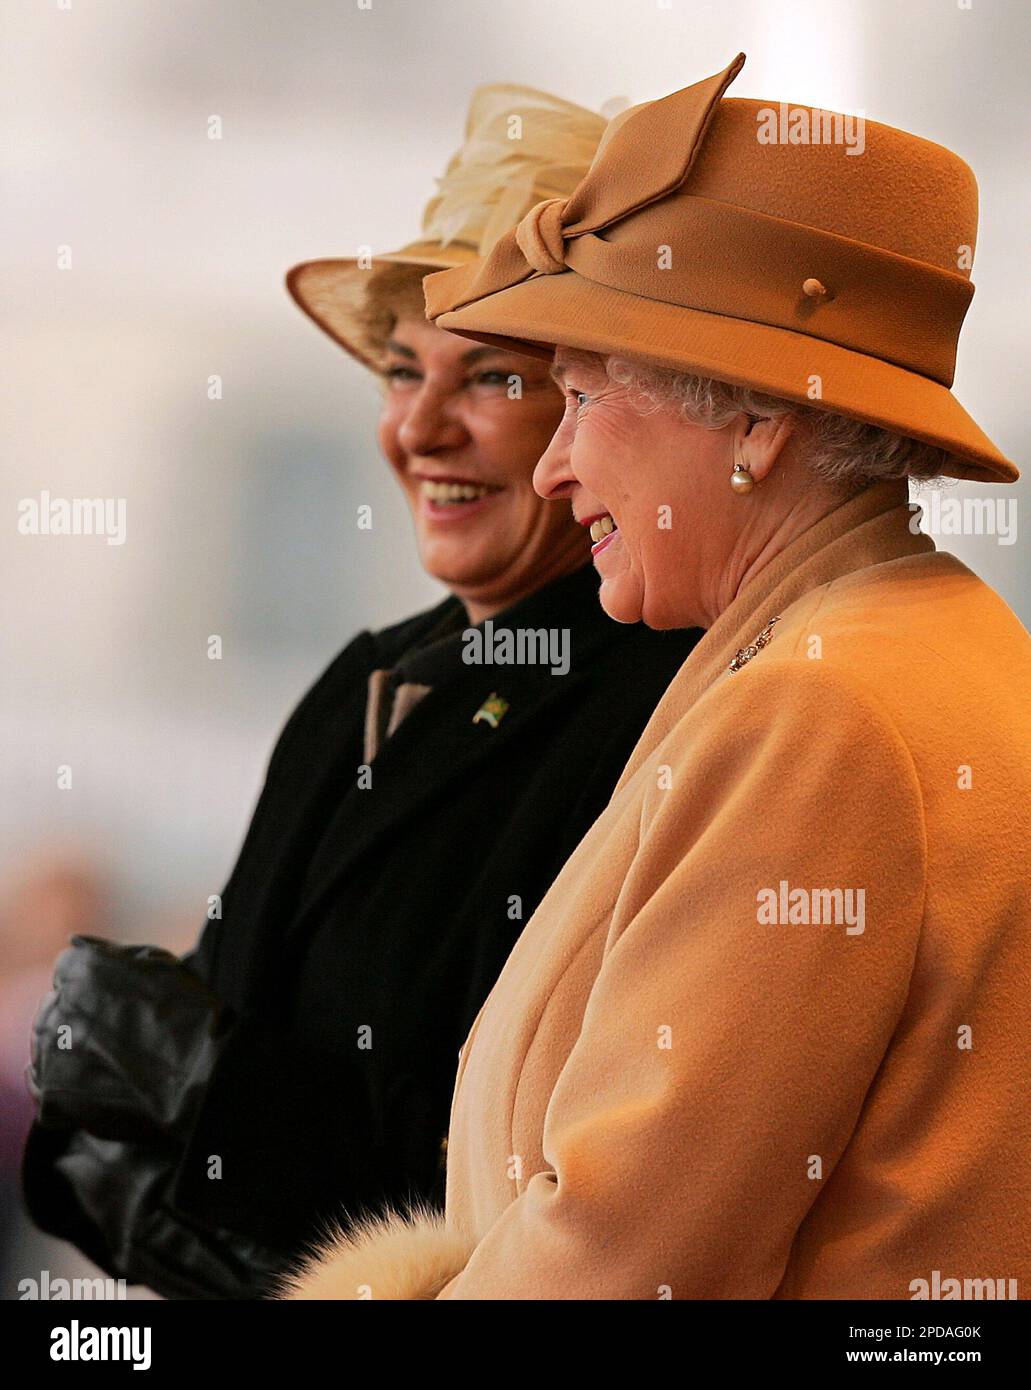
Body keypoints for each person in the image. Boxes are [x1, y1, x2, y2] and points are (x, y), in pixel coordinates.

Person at [279, 54, 1031, 1300]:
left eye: (576, 397)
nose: (555, 468)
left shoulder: (824, 710)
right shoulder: (907, 650)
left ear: (754, 421)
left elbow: (621, 1262)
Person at [22, 85, 700, 1299]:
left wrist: (193, 1086)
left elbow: (531, 1183)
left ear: (602, 411)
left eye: (490, 377)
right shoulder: (368, 676)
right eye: (400, 372)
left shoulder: (666, 707)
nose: (419, 428)